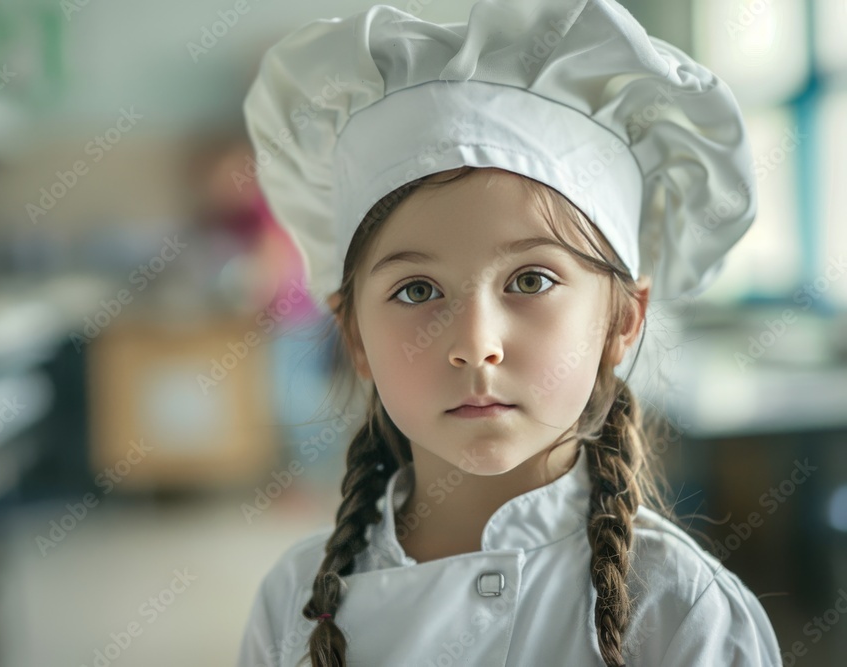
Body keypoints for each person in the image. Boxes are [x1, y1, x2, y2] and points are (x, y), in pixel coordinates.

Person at [237, 1, 783, 665]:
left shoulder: (684, 611)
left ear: (622, 320)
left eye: (530, 281)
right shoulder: (294, 601)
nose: (476, 342)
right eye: (417, 291)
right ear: (353, 334)